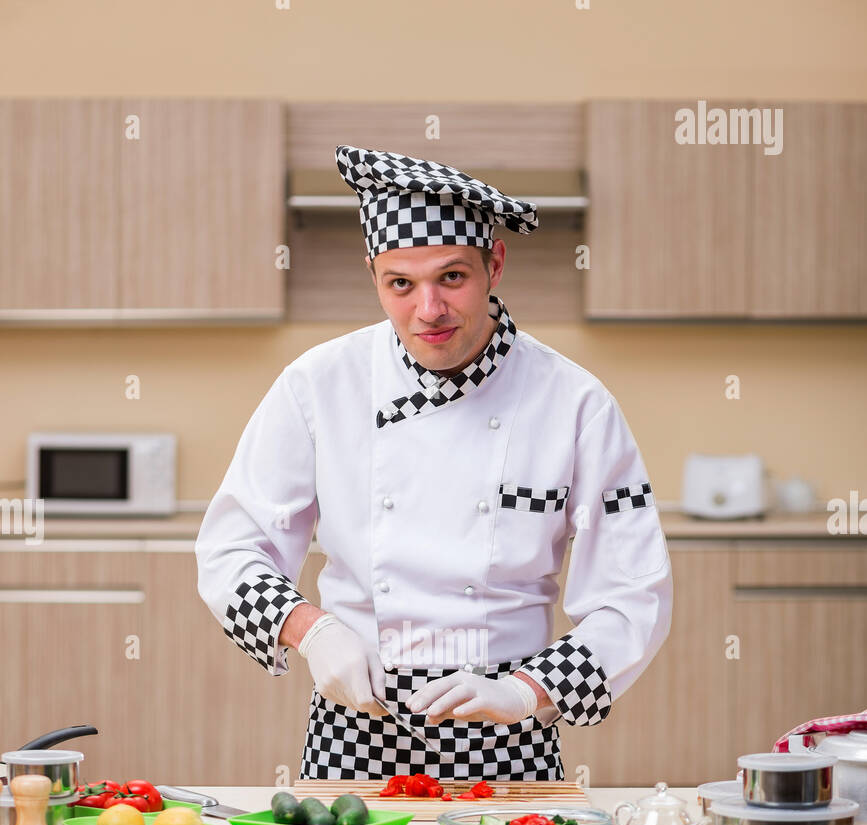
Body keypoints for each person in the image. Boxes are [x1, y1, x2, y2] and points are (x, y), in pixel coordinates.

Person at [195, 144, 673, 780]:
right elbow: (231, 549)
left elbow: (633, 595)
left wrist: (529, 691)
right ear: (374, 277)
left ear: (494, 264)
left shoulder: (574, 402)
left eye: (452, 277)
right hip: (355, 727)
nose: (429, 311)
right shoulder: (319, 385)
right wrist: (309, 629)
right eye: (401, 284)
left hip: (508, 732)